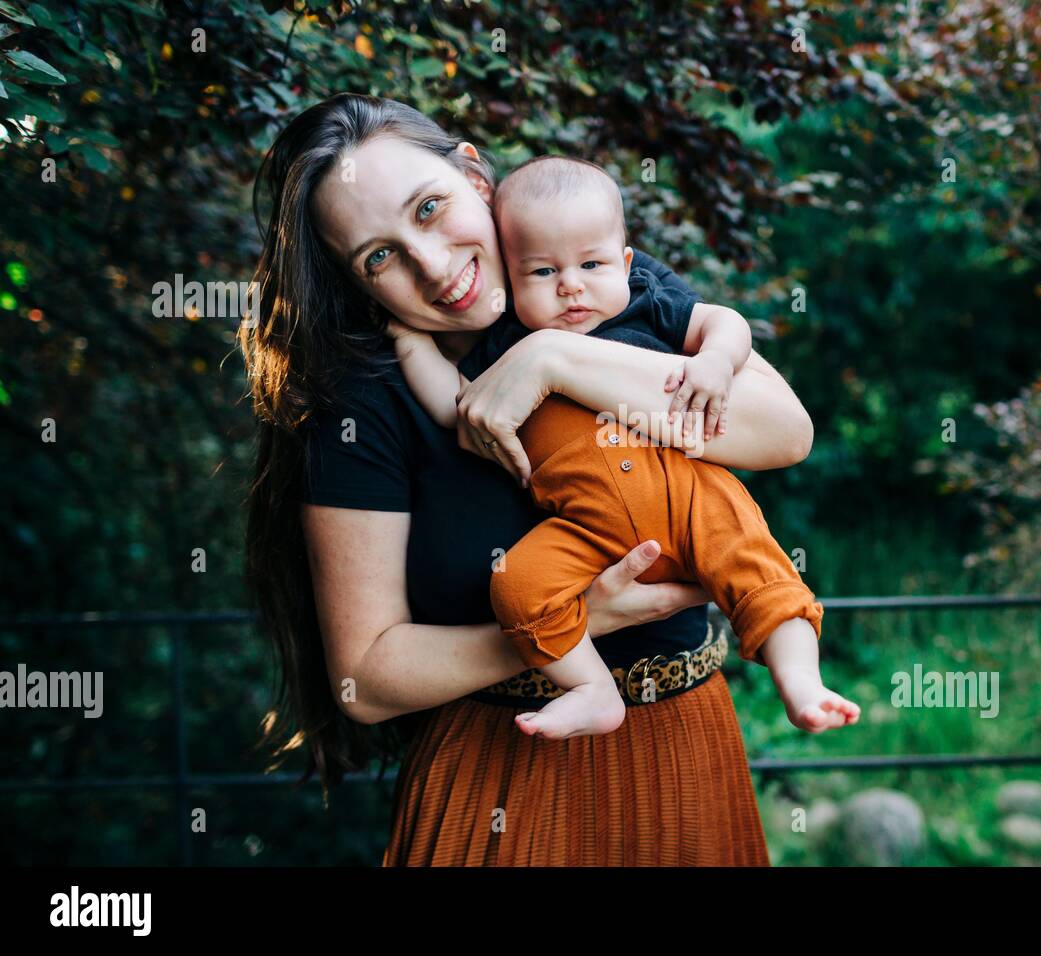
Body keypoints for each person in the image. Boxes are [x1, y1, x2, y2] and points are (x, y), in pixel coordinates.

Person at [241, 93, 820, 865]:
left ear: (476, 178)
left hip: (687, 749)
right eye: (379, 256)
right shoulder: (365, 401)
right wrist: (588, 618)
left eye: (429, 208)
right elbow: (367, 678)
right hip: (499, 771)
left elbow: (784, 431)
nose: (435, 266)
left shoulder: (596, 278)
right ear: (358, 282)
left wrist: (554, 359)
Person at [390, 154, 860, 741]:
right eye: (541, 273)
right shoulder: (506, 343)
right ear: (511, 279)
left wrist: (715, 359)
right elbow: (459, 409)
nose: (571, 285)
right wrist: (411, 347)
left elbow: (726, 323)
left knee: (760, 571)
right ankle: (591, 688)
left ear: (626, 262)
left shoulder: (647, 302)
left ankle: (802, 683)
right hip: (586, 528)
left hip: (692, 497)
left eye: (591, 263)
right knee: (517, 586)